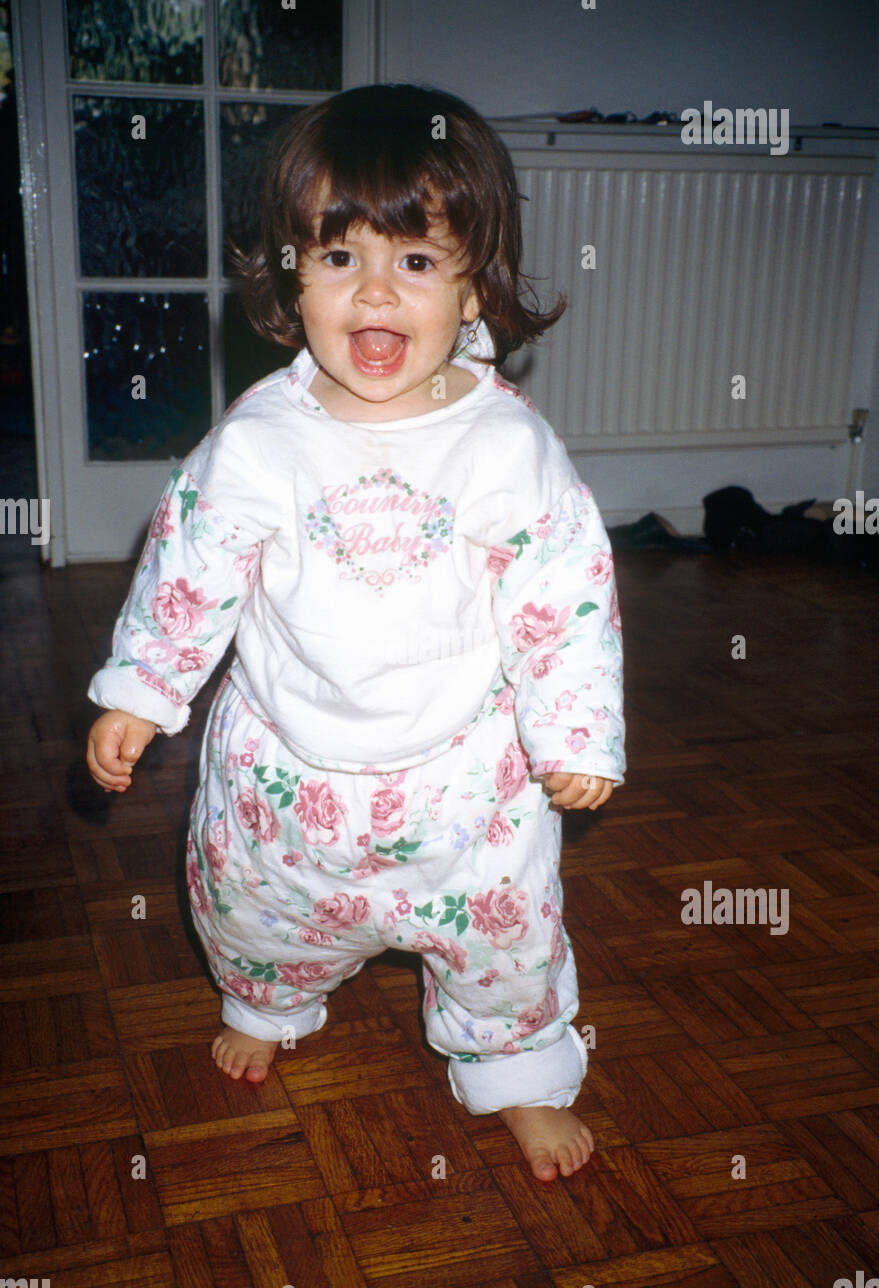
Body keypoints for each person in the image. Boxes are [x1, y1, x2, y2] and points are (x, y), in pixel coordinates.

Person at [86, 83, 625, 1182]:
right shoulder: (260, 441)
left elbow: (562, 594)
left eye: (416, 262)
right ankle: (270, 1002)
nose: (376, 289)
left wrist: (574, 733)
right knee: (258, 910)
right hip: (291, 776)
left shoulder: (506, 448)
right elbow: (192, 561)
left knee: (504, 943)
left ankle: (516, 1069)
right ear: (291, 274)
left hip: (465, 787)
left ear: (473, 282)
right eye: (339, 258)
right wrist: (142, 688)